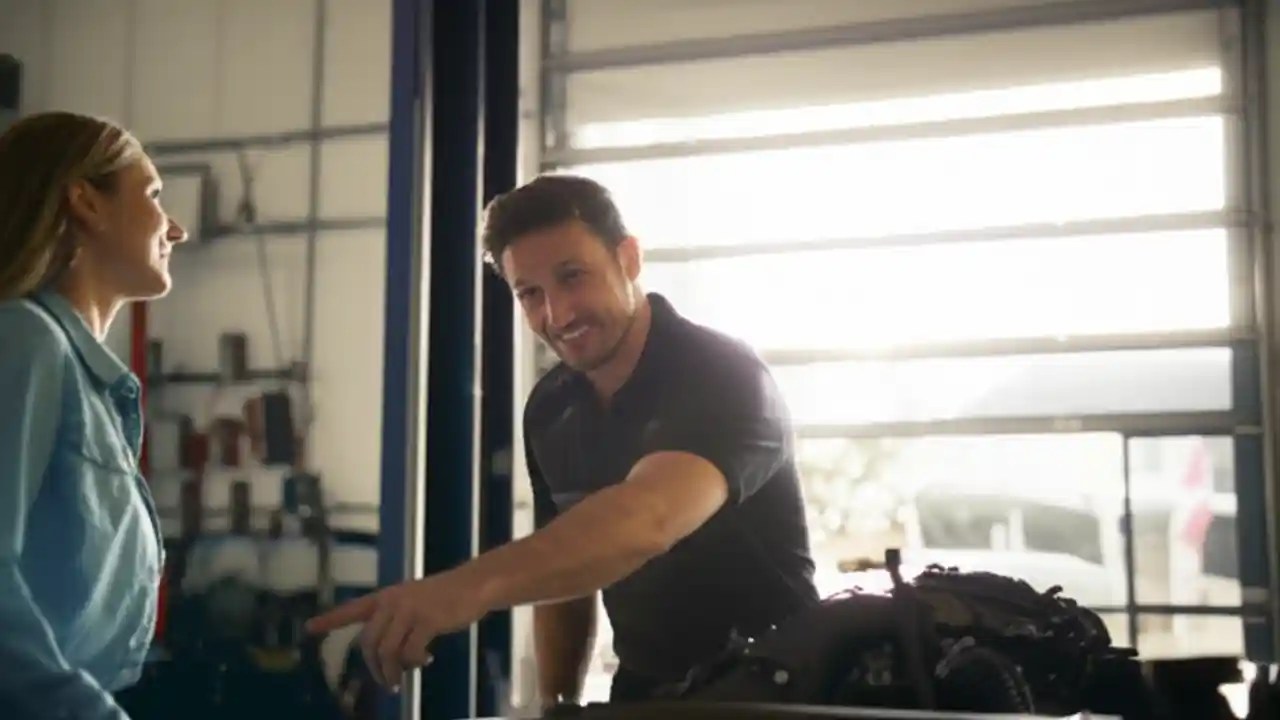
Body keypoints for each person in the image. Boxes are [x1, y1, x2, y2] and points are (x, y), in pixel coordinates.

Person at [306, 174, 818, 707]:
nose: (558, 314)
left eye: (573, 277)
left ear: (629, 259)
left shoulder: (722, 375)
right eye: (530, 294)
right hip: (646, 696)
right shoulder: (551, 409)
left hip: (776, 690)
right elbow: (565, 575)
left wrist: (464, 588)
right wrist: (556, 705)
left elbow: (647, 519)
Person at [0, 111, 189, 719]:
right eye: (153, 195)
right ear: (85, 202)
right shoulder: (25, 340)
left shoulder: (78, 372)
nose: (176, 228)